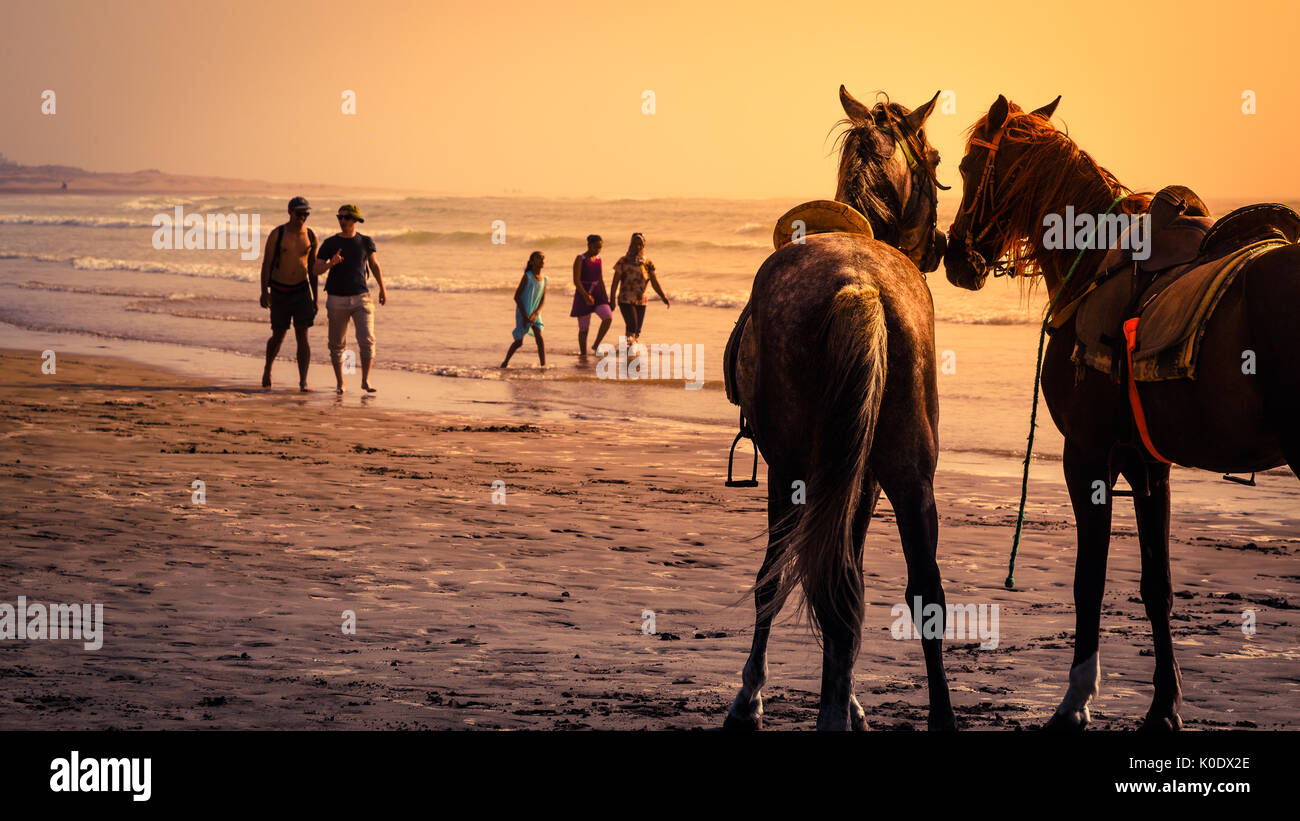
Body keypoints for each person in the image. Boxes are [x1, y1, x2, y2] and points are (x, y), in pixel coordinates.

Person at [260, 196, 332, 391]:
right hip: (279, 290)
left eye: (306, 213)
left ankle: (303, 381)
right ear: (290, 212)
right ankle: (268, 368)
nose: (303, 217)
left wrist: (315, 298)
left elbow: (312, 269)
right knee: (279, 334)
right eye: (300, 213)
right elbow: (266, 264)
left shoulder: (310, 235)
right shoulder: (278, 233)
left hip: (301, 291)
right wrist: (264, 291)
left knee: (303, 335)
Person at [316, 204, 387, 394]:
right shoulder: (330, 243)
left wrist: (382, 288)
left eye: (346, 218)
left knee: (367, 339)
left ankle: (366, 381)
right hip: (336, 298)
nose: (342, 221)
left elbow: (374, 264)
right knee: (337, 344)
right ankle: (341, 383)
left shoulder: (365, 241)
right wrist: (331, 263)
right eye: (339, 217)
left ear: (355, 220)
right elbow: (315, 269)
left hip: (362, 297)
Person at [609, 232, 669, 346]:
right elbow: (615, 282)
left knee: (636, 331)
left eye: (640, 244)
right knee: (632, 325)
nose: (637, 246)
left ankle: (628, 350)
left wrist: (663, 296)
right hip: (625, 299)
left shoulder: (647, 263)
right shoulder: (623, 261)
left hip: (641, 300)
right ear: (630, 244)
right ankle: (628, 351)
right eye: (634, 243)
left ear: (643, 246)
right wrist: (612, 299)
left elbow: (654, 282)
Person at [500, 252, 547, 367]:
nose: (541, 260)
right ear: (532, 262)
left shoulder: (544, 279)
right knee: (519, 342)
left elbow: (542, 300)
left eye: (543, 258)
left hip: (536, 313)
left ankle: (543, 365)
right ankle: (505, 362)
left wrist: (536, 313)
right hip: (523, 312)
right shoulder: (527, 277)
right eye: (538, 258)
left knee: (539, 338)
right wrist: (525, 315)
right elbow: (516, 297)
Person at [569, 234, 613, 356]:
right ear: (589, 245)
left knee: (608, 317)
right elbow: (576, 280)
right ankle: (583, 354)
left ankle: (596, 344)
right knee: (584, 329)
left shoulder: (599, 259)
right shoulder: (580, 259)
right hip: (583, 293)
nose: (598, 250)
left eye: (600, 248)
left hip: (598, 293)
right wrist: (585, 295)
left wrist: (606, 297)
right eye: (595, 247)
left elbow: (601, 279)